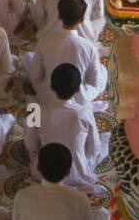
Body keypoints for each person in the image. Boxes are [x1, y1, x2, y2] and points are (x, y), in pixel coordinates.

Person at [25, 63, 107, 192]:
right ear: (78, 90)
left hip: (42, 173)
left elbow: (30, 145)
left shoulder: (37, 111)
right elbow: (93, 149)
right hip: (79, 175)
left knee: (30, 119)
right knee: (106, 138)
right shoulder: (84, 112)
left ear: (51, 87)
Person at [24, 0, 107, 104]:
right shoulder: (90, 48)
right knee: (103, 70)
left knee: (27, 58)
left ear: (59, 16)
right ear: (82, 19)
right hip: (79, 97)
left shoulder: (44, 42)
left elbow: (35, 76)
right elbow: (95, 83)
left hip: (48, 94)